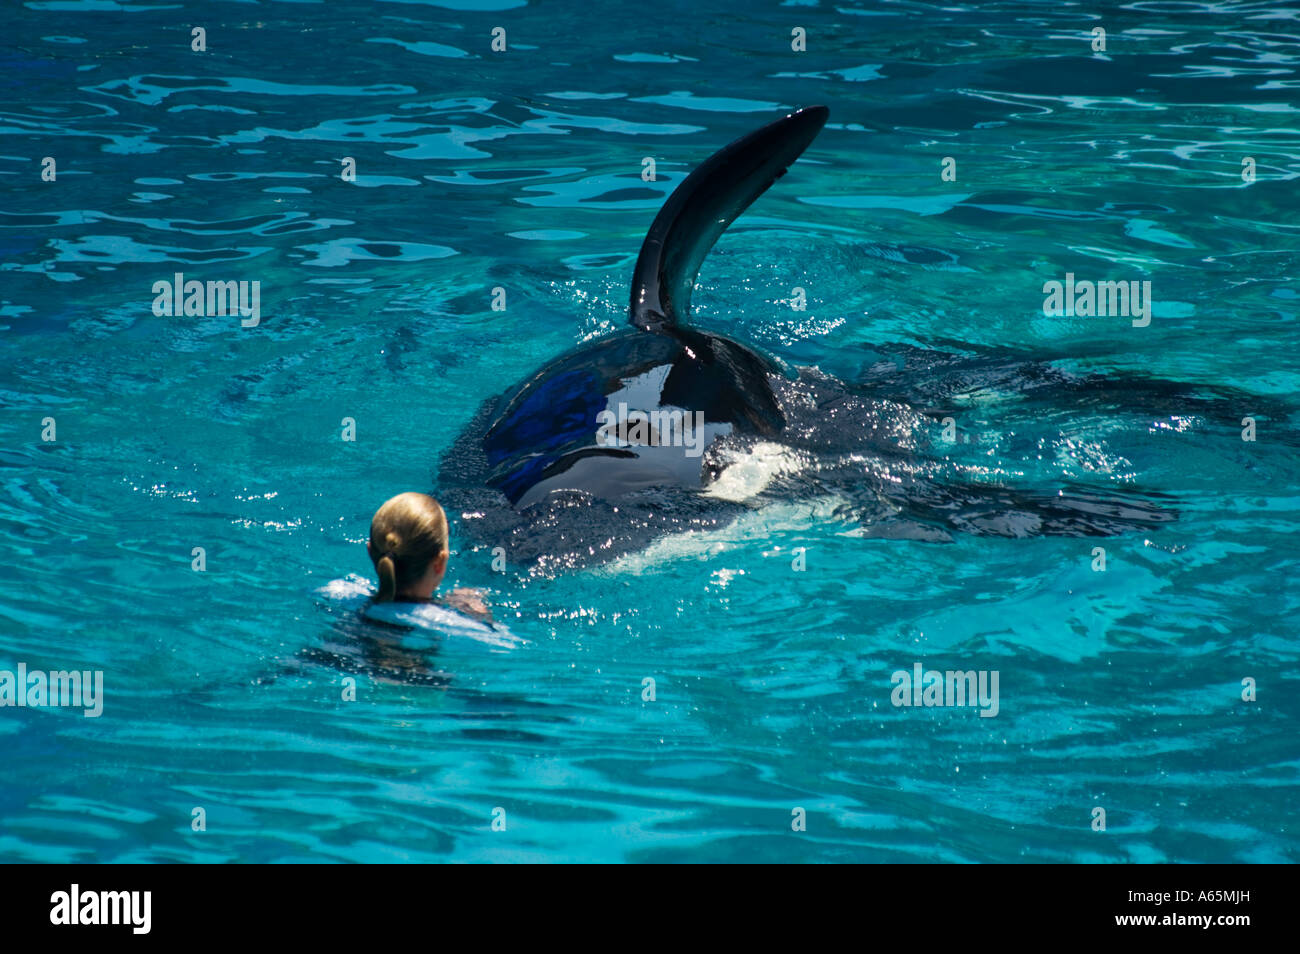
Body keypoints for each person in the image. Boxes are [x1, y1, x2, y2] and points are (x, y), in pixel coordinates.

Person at [366, 492, 491, 622]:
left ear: (370, 551)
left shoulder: (346, 595)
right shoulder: (455, 625)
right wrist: (483, 618)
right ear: (439, 562)